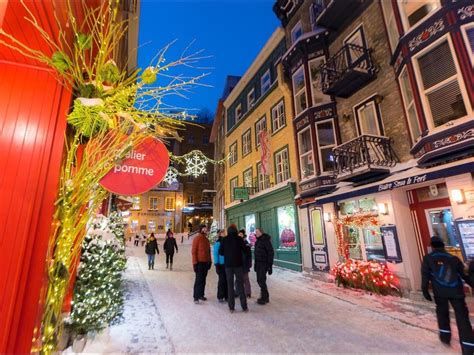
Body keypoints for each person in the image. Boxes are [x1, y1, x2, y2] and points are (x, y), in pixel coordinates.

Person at [422, 236, 474, 354]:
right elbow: (464, 275)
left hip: (440, 292)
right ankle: (468, 346)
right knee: (462, 318)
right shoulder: (453, 258)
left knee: (442, 313)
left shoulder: (428, 258)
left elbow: (425, 275)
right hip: (457, 291)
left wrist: (424, 290)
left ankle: (445, 337)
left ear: (432, 246)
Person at [219, 224, 249, 313]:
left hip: (228, 266)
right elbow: (245, 251)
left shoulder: (224, 239)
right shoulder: (239, 239)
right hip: (238, 265)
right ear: (236, 230)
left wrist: (227, 254)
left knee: (230, 286)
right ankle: (244, 306)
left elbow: (221, 252)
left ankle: (231, 307)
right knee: (240, 285)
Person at [192, 224, 211, 304]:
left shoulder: (206, 239)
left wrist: (209, 261)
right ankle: (196, 296)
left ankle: (201, 294)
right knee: (198, 280)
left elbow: (208, 252)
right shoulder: (197, 238)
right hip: (199, 263)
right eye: (204, 228)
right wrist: (195, 263)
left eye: (206, 229)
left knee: (203, 280)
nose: (205, 230)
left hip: (205, 262)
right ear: (201, 229)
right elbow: (194, 252)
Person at [254, 227, 274, 305]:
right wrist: (255, 265)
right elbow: (256, 254)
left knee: (261, 280)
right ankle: (265, 296)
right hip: (258, 263)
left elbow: (270, 253)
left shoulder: (265, 240)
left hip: (264, 263)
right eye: (256, 232)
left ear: (261, 232)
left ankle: (264, 297)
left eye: (258, 232)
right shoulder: (257, 241)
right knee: (259, 280)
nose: (256, 233)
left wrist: (270, 265)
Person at [213, 229, 227, 303]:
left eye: (224, 233)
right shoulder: (218, 243)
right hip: (221, 264)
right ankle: (220, 296)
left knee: (227, 280)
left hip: (227, 264)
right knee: (221, 280)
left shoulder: (227, 241)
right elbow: (215, 254)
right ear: (220, 234)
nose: (224, 234)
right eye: (222, 233)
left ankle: (226, 295)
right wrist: (216, 264)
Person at [237, 229, 252, 298]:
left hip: (245, 264)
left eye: (241, 234)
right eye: (239, 234)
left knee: (246, 278)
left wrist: (249, 263)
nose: (240, 235)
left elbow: (249, 255)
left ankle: (248, 292)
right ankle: (237, 292)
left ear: (243, 235)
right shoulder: (235, 243)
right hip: (238, 264)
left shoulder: (246, 243)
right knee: (238, 279)